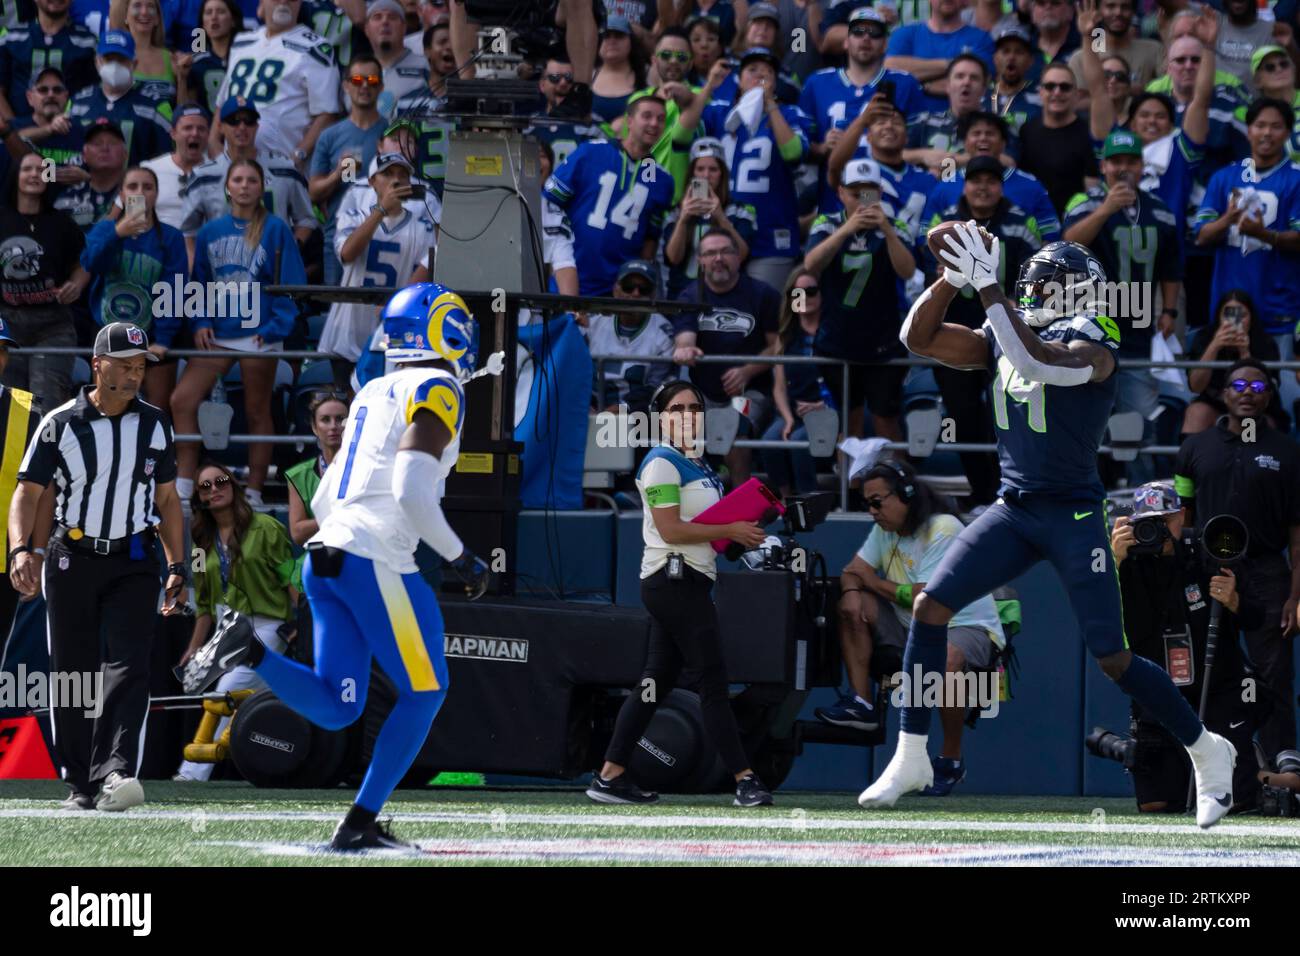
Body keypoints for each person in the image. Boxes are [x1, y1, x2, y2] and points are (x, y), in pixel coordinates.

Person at [866, 226, 1238, 828]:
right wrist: (952, 279)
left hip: (1073, 512)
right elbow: (919, 338)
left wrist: (987, 286)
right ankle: (912, 755)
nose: (1037, 288)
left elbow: (1036, 362)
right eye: (1032, 281)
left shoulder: (1098, 339)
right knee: (932, 606)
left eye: (1049, 281)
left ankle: (1204, 747)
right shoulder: (1003, 327)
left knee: (1113, 657)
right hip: (1015, 506)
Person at [188, 283, 493, 850]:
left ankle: (249, 652)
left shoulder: (375, 388)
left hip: (327, 557)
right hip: (374, 558)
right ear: (445, 329)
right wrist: (462, 556)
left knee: (337, 705)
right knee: (425, 693)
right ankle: (360, 822)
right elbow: (410, 490)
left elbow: (327, 493)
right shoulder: (438, 386)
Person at [9, 321, 188, 812]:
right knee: (72, 670)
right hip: (72, 557)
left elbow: (168, 500)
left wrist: (178, 566)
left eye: (140, 368)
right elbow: (27, 492)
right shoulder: (60, 423)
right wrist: (22, 550)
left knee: (129, 667)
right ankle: (81, 783)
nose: (134, 376)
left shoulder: (155, 423)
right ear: (97, 365)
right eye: (125, 366)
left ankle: (117, 771)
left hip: (134, 557)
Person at [585, 379, 775, 808]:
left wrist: (739, 537)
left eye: (694, 408)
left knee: (654, 682)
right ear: (660, 417)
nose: (687, 417)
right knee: (712, 680)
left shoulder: (702, 464)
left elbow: (706, 531)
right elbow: (671, 529)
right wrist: (728, 529)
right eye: (677, 409)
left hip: (689, 579)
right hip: (672, 582)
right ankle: (744, 779)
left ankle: (609, 776)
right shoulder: (660, 463)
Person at [826, 460, 1006, 793]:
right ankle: (862, 704)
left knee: (948, 660)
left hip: (965, 625)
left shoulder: (943, 527)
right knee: (852, 604)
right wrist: (853, 589)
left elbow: (926, 596)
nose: (872, 511)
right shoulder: (884, 531)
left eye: (877, 501)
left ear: (906, 495)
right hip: (912, 627)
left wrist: (871, 581)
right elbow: (853, 570)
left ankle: (950, 760)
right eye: (866, 504)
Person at [1111, 480, 1265, 813]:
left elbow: (1258, 617)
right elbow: (1101, 627)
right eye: (1147, 523)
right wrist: (1114, 566)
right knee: (1157, 805)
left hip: (1217, 688)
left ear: (1182, 515)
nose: (1159, 531)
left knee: (1235, 801)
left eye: (1165, 521)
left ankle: (1263, 774)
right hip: (1158, 691)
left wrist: (1234, 600)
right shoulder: (1125, 561)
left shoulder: (1210, 549)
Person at [1175, 357, 1300, 760]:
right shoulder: (1194, 447)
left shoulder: (1288, 452)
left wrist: (1295, 597)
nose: (1248, 394)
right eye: (1240, 386)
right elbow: (1182, 517)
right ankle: (1212, 757)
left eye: (1259, 387)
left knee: (1274, 671)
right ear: (1223, 393)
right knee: (1211, 668)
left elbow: (1298, 535)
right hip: (1209, 570)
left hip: (1266, 572)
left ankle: (1285, 760)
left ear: (1271, 396)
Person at [172, 158, 307, 507]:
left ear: (261, 187)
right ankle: (184, 486)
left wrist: (275, 327)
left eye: (252, 180)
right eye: (239, 179)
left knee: (257, 409)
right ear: (227, 187)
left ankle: (255, 491)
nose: (245, 185)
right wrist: (200, 322)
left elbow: (290, 285)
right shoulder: (209, 232)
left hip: (258, 331)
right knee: (182, 400)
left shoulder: (276, 229)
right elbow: (198, 283)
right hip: (218, 332)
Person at [920, 155, 1043, 507]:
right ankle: (980, 486)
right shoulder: (947, 225)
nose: (984, 187)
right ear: (965, 185)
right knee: (961, 413)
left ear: (1001, 186)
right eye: (976, 180)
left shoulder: (1020, 223)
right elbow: (933, 279)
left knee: (1007, 412)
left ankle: (1008, 486)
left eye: (991, 180)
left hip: (1006, 333)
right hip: (957, 332)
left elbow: (1034, 278)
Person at [1063, 129, 1182, 484]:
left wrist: (1170, 311)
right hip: (1090, 329)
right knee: (1087, 421)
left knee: (1138, 423)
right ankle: (1087, 493)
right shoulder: (1084, 203)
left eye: (1131, 161)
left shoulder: (1160, 212)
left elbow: (1171, 268)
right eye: (1116, 161)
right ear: (1104, 166)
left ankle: (1141, 495)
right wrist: (1107, 208)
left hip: (1139, 329)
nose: (1124, 168)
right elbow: (1068, 244)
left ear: (1143, 166)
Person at [174, 461, 297, 781]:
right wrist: (193, 648)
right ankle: (268, 762)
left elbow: (291, 581)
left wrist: (302, 625)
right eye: (205, 486)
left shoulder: (267, 528)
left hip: (268, 625)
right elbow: (202, 603)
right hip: (225, 627)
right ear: (198, 497)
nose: (214, 489)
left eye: (221, 481)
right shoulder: (201, 542)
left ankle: (193, 773)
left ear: (234, 485)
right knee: (240, 695)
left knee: (225, 693)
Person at [804, 158, 917, 442]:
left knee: (886, 421)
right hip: (837, 340)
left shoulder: (895, 225)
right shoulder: (826, 223)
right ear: (841, 193)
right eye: (855, 194)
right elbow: (811, 265)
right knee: (848, 423)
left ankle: (891, 482)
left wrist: (887, 231)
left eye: (868, 193)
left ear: (878, 193)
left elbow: (908, 270)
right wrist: (846, 229)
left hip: (883, 342)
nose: (861, 201)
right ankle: (851, 486)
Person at [1193, 97, 1300, 384]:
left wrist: (1263, 234)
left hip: (1277, 307)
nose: (1267, 133)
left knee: (1273, 390)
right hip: (1229, 305)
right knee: (1229, 388)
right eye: (1260, 125)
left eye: (1276, 126)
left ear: (1288, 133)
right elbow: (1201, 236)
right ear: (1248, 130)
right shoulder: (1223, 178)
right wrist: (1228, 219)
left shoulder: (1296, 180)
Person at [672, 229, 782, 488]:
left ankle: (740, 499)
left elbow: (778, 345)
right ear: (700, 260)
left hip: (751, 393)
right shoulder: (690, 296)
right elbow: (684, 338)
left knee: (734, 422)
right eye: (710, 253)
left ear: (738, 257)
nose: (718, 258)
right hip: (704, 395)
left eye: (725, 251)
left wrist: (748, 371)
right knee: (674, 421)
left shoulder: (762, 294)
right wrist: (686, 349)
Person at [696, 47, 813, 289]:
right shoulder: (719, 111)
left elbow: (793, 154)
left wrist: (770, 104)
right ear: (738, 79)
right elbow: (680, 135)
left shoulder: (789, 114)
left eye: (768, 72)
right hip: (722, 231)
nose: (760, 75)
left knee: (762, 314)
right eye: (752, 70)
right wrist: (709, 85)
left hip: (771, 233)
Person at [320, 151, 434, 386]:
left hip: (392, 334)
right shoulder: (353, 215)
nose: (396, 180)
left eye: (403, 175)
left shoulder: (423, 228)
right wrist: (381, 210)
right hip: (348, 330)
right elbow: (347, 253)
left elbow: (428, 273)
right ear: (372, 181)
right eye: (388, 174)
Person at [542, 94, 675, 296]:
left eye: (661, 119)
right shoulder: (589, 153)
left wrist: (633, 286)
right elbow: (549, 203)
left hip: (619, 291)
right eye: (647, 116)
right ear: (629, 121)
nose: (654, 123)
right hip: (567, 277)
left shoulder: (662, 180)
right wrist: (552, 262)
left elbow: (651, 238)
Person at [800, 7, 926, 214]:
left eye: (875, 33)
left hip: (887, 192)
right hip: (834, 193)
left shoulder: (904, 83)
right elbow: (799, 147)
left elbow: (918, 142)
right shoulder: (817, 83)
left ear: (885, 44)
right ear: (846, 41)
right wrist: (822, 147)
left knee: (874, 233)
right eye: (858, 31)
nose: (866, 38)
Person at [79, 165, 186, 408]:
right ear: (122, 194)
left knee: (156, 410)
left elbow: (174, 290)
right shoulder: (106, 229)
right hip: (107, 333)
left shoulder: (170, 237)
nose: (140, 192)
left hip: (154, 335)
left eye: (147, 187)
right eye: (132, 186)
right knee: (107, 406)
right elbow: (91, 262)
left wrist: (165, 338)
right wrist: (117, 233)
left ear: (156, 194)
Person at [0, 152, 89, 413]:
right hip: (6, 324)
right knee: (10, 404)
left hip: (53, 326)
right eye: (27, 169)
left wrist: (77, 284)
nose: (34, 174)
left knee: (48, 402)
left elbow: (83, 265)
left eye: (41, 170)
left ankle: (47, 455)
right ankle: (13, 456)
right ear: (15, 176)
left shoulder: (62, 224)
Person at [180, 96, 318, 260]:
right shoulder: (204, 176)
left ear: (257, 126)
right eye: (234, 121)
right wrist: (197, 267)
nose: (242, 127)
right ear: (220, 127)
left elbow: (306, 219)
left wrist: (289, 250)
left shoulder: (284, 169)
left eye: (249, 121)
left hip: (273, 268)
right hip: (223, 268)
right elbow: (188, 231)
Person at [214, 0, 343, 164]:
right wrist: (215, 147)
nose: (283, 1)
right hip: (232, 166)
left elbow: (327, 114)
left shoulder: (315, 48)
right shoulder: (241, 42)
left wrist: (296, 158)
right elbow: (222, 103)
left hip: (281, 167)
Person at [310, 55, 388, 285]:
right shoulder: (330, 135)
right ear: (346, 86)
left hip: (385, 237)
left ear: (381, 86)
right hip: (339, 238)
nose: (364, 85)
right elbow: (313, 192)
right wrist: (337, 174)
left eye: (372, 80)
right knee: (337, 311)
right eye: (357, 79)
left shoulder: (392, 133)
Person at [762, 268, 833, 496]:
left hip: (828, 408)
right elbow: (779, 386)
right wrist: (788, 418)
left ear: (822, 295)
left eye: (811, 291)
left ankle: (808, 501)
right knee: (770, 441)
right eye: (798, 292)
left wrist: (822, 406)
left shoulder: (833, 331)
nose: (805, 297)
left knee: (801, 442)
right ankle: (783, 500)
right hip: (792, 410)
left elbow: (846, 381)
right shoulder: (786, 335)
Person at [661, 137, 755, 298]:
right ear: (692, 173)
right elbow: (673, 258)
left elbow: (741, 255)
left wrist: (720, 216)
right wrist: (683, 219)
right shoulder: (675, 212)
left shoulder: (739, 210)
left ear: (722, 174)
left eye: (713, 169)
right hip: (682, 295)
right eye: (700, 169)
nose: (706, 175)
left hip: (725, 296)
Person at [580, 260, 676, 415]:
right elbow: (573, 370)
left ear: (653, 294)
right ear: (615, 290)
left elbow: (656, 388)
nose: (635, 294)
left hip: (637, 417)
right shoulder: (593, 321)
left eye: (643, 289)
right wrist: (582, 404)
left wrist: (623, 409)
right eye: (628, 287)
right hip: (588, 410)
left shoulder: (664, 334)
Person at [1181, 290, 1283, 435]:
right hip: (1215, 403)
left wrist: (1245, 354)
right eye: (1229, 314)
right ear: (1219, 317)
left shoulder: (1264, 342)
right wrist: (1214, 346)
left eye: (1242, 315)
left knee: (1252, 423)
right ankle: (1193, 457)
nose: (1237, 320)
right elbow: (1196, 387)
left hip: (1252, 404)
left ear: (1251, 318)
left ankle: (1248, 456)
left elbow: (1263, 391)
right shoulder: (1205, 337)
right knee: (1197, 413)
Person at [0, 321, 44, 651]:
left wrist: (35, 552)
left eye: (2, 350)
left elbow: (43, 495)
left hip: (5, 560)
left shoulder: (29, 412)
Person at [68, 31, 173, 167]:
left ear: (134, 64)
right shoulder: (78, 102)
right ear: (97, 62)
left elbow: (167, 156)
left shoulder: (155, 105)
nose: (115, 66)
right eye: (109, 59)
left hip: (136, 185)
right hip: (86, 185)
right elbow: (67, 150)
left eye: (121, 59)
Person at [1016, 62, 1099, 215]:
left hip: (1075, 221)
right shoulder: (1027, 130)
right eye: (1050, 86)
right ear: (1040, 92)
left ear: (1076, 94)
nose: (1057, 92)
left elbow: (1092, 189)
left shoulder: (1089, 133)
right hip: (1036, 220)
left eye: (1065, 87)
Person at [884, 0, 994, 114]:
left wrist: (921, 84)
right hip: (911, 123)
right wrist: (956, 64)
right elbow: (891, 71)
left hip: (965, 123)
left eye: (959, 75)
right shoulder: (904, 34)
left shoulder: (981, 39)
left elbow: (979, 84)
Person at [0, 0, 98, 124]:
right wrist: (14, 130)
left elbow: (95, 93)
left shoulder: (88, 42)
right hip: (17, 134)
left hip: (70, 134)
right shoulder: (10, 38)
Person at [903, 54, 992, 176]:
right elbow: (892, 153)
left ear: (984, 89)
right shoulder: (924, 121)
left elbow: (1008, 160)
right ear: (948, 86)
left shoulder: (996, 126)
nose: (966, 82)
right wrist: (922, 155)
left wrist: (950, 163)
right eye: (959, 76)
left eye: (974, 78)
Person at [286, 391, 348, 546]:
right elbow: (298, 533)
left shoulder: (367, 467)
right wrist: (341, 517)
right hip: (317, 557)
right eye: (325, 420)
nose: (334, 426)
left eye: (340, 419)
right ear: (314, 427)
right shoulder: (299, 475)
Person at [142, 104, 213, 232]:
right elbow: (131, 219)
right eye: (188, 128)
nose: (195, 133)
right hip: (157, 248)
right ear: (173, 133)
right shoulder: (147, 170)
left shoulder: (222, 173)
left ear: (208, 134)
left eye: (201, 129)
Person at [51, 117, 129, 232]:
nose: (105, 148)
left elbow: (140, 233)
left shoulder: (136, 192)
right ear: (84, 156)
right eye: (97, 143)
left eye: (112, 143)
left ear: (125, 154)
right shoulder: (68, 196)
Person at [1065, 0, 1161, 93]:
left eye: (1125, 7)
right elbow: (1076, 102)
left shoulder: (1154, 50)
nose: (1118, 12)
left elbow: (1170, 88)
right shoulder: (1080, 58)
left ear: (1133, 12)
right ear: (1098, 12)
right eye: (1110, 6)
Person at [15, 67, 88, 175]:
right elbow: (12, 140)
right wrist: (50, 129)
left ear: (66, 97)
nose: (51, 95)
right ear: (30, 97)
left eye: (57, 90)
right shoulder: (14, 126)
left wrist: (87, 178)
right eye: (43, 90)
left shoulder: (82, 132)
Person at [178, 0, 242, 113]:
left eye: (221, 12)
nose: (214, 17)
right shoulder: (196, 63)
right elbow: (186, 112)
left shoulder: (248, 57)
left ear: (233, 21)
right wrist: (182, 78)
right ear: (203, 23)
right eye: (208, 12)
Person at [109, 0, 176, 105]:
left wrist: (182, 79)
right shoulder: (114, 56)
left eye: (150, 6)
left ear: (157, 18)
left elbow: (182, 110)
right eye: (137, 5)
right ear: (125, 17)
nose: (144, 12)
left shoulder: (170, 58)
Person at [362, 0, 429, 102]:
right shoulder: (357, 70)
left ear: (404, 27)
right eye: (377, 17)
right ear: (366, 29)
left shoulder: (425, 67)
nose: (385, 22)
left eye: (392, 17)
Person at [985, 23, 1041, 144]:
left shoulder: (1041, 96)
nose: (1011, 57)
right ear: (995, 59)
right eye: (1005, 51)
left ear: (1030, 61)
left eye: (1019, 52)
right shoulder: (980, 94)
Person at [590, 15, 647, 127]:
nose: (612, 41)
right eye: (606, 36)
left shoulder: (647, 74)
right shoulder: (586, 75)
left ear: (631, 41)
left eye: (619, 35)